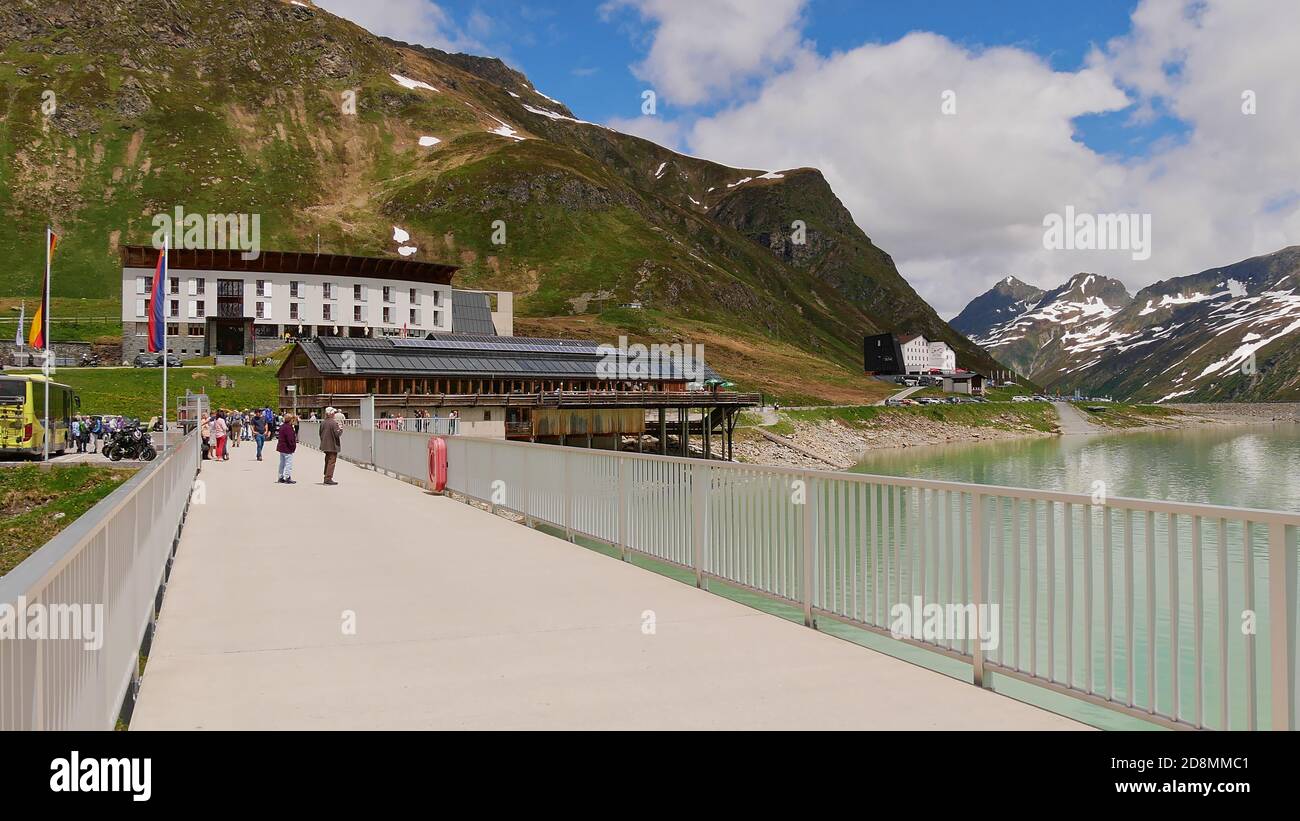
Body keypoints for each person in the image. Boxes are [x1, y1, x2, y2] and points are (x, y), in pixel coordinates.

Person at [319, 407, 342, 486]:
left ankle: (326, 476)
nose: (335, 414)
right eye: (334, 413)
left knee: (327, 461)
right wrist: (341, 430)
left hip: (325, 445)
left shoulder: (323, 422)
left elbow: (320, 433)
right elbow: (337, 434)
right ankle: (328, 478)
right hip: (332, 445)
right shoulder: (334, 423)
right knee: (331, 462)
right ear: (331, 414)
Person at [276, 413, 298, 484]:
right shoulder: (288, 427)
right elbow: (290, 439)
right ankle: (287, 477)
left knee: (282, 463)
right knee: (288, 463)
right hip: (287, 448)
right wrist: (293, 446)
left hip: (281, 447)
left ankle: (280, 477)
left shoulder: (282, 426)